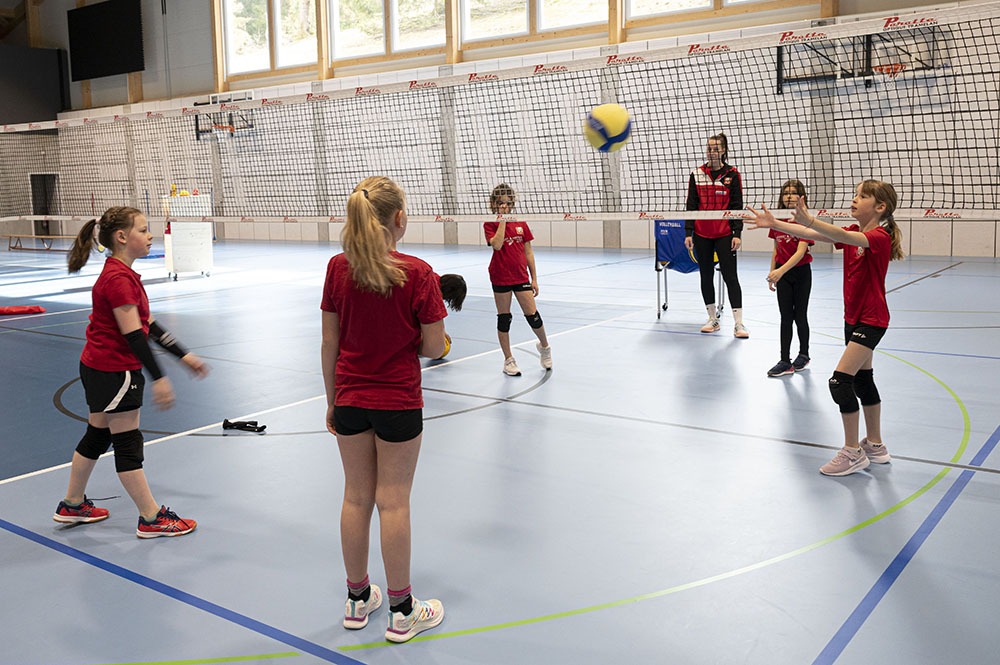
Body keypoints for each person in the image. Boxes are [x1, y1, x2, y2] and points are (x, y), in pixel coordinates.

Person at [321, 176, 447, 643]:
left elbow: (329, 342)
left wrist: (332, 400)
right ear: (399, 219)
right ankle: (401, 610)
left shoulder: (337, 268)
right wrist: (422, 333)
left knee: (356, 497)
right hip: (397, 401)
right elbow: (434, 348)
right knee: (392, 501)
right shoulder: (418, 273)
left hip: (350, 398)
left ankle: (357, 599)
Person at [55, 206, 207, 537]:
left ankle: (72, 503)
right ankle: (151, 518)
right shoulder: (118, 280)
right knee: (127, 443)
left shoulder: (121, 275)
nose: (150, 234)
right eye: (143, 229)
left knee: (98, 435)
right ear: (123, 237)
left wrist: (184, 356)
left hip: (96, 366)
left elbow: (147, 324)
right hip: (115, 371)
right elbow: (133, 335)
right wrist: (161, 378)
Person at [746, 180, 905, 477]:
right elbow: (812, 233)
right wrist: (778, 223)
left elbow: (835, 232)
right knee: (863, 381)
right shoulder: (856, 234)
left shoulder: (878, 236)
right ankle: (875, 445)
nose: (854, 200)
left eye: (861, 196)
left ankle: (852, 452)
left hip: (872, 319)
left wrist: (811, 219)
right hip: (853, 318)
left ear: (880, 207)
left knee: (840, 381)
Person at [483, 183, 553, 376]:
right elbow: (497, 245)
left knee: (533, 315)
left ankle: (545, 347)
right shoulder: (489, 224)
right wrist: (503, 220)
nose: (504, 206)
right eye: (500, 203)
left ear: (512, 203)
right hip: (500, 275)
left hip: (520, 276)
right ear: (494, 204)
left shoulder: (522, 224)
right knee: (504, 318)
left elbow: (528, 252)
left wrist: (535, 279)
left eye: (507, 202)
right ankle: (508, 360)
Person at [685, 132, 749, 338]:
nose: (712, 151)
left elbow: (737, 206)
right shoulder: (697, 174)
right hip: (702, 234)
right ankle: (712, 318)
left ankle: (739, 323)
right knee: (706, 275)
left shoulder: (732, 174)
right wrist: (689, 232)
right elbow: (691, 206)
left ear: (723, 150)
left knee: (731, 277)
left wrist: (737, 232)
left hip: (724, 234)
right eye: (709, 148)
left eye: (716, 148)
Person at [766, 180, 813, 377]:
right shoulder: (777, 219)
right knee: (785, 317)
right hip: (782, 275)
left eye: (794, 193)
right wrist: (772, 273)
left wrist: (780, 271)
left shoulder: (805, 220)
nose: (789, 196)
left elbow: (801, 252)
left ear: (801, 197)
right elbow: (776, 248)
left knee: (800, 316)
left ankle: (804, 354)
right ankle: (785, 360)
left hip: (801, 273)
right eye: (786, 193)